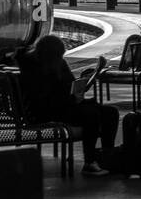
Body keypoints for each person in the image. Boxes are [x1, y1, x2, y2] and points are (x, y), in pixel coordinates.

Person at [15, 35, 119, 176]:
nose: (61, 58)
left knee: (111, 112)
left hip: (64, 106)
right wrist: (70, 96)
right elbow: (43, 98)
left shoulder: (58, 63)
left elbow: (69, 85)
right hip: (46, 112)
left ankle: (107, 156)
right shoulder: (32, 68)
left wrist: (79, 89)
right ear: (51, 55)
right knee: (91, 115)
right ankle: (89, 162)